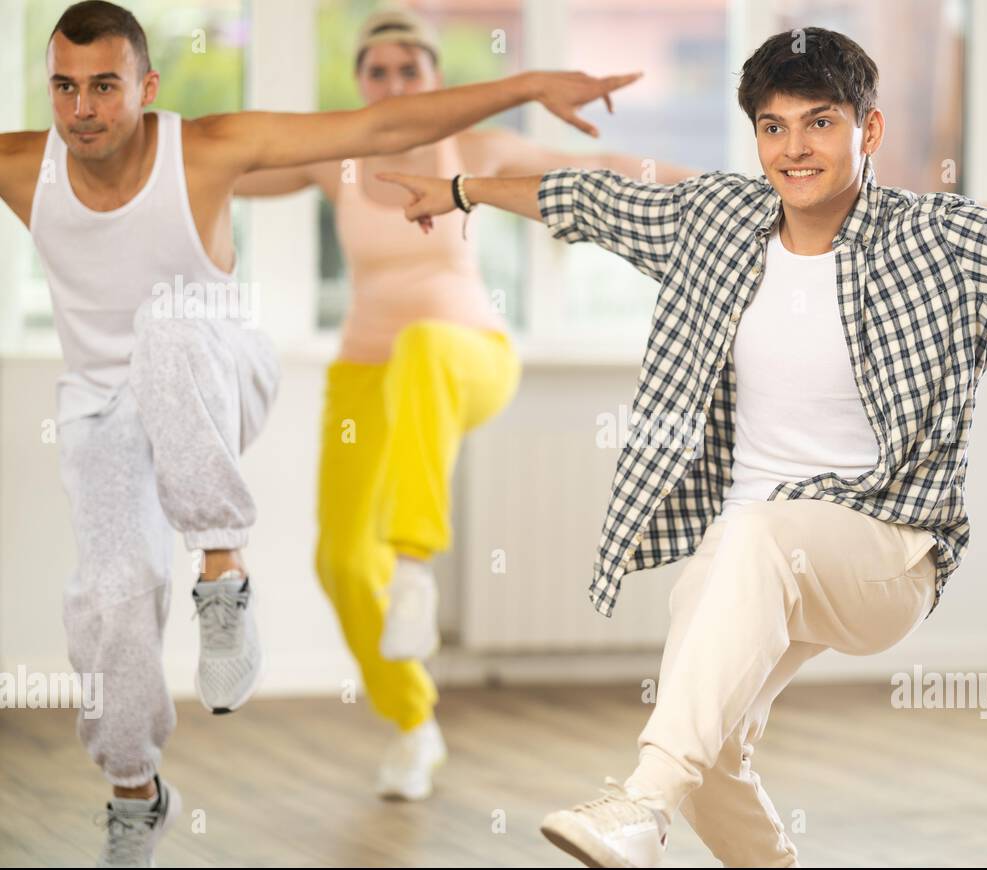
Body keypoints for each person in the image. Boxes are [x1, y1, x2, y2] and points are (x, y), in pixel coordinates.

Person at [383, 28, 987, 867]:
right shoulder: (716, 224)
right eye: (773, 128)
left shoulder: (938, 242)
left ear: (869, 128)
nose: (795, 149)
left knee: (742, 568)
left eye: (819, 123)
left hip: (886, 553)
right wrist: (461, 191)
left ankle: (638, 804)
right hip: (754, 554)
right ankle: (706, 820)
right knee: (709, 743)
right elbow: (582, 197)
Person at [0, 0, 638, 867]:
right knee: (110, 602)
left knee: (167, 325)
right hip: (103, 411)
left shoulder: (211, 146)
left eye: (105, 87)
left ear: (146, 89)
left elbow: (387, 125)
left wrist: (531, 82)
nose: (83, 110)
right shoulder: (24, 165)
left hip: (215, 371)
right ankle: (134, 794)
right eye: (66, 89)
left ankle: (224, 575)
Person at [233, 9, 695, 803]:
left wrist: (756, 189)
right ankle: (415, 725)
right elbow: (227, 170)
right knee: (340, 562)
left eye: (408, 71)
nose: (393, 84)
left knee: (423, 347)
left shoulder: (471, 150)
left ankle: (415, 564)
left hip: (469, 355)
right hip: (365, 380)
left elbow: (603, 167)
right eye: (377, 72)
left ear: (435, 81)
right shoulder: (335, 162)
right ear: (360, 86)